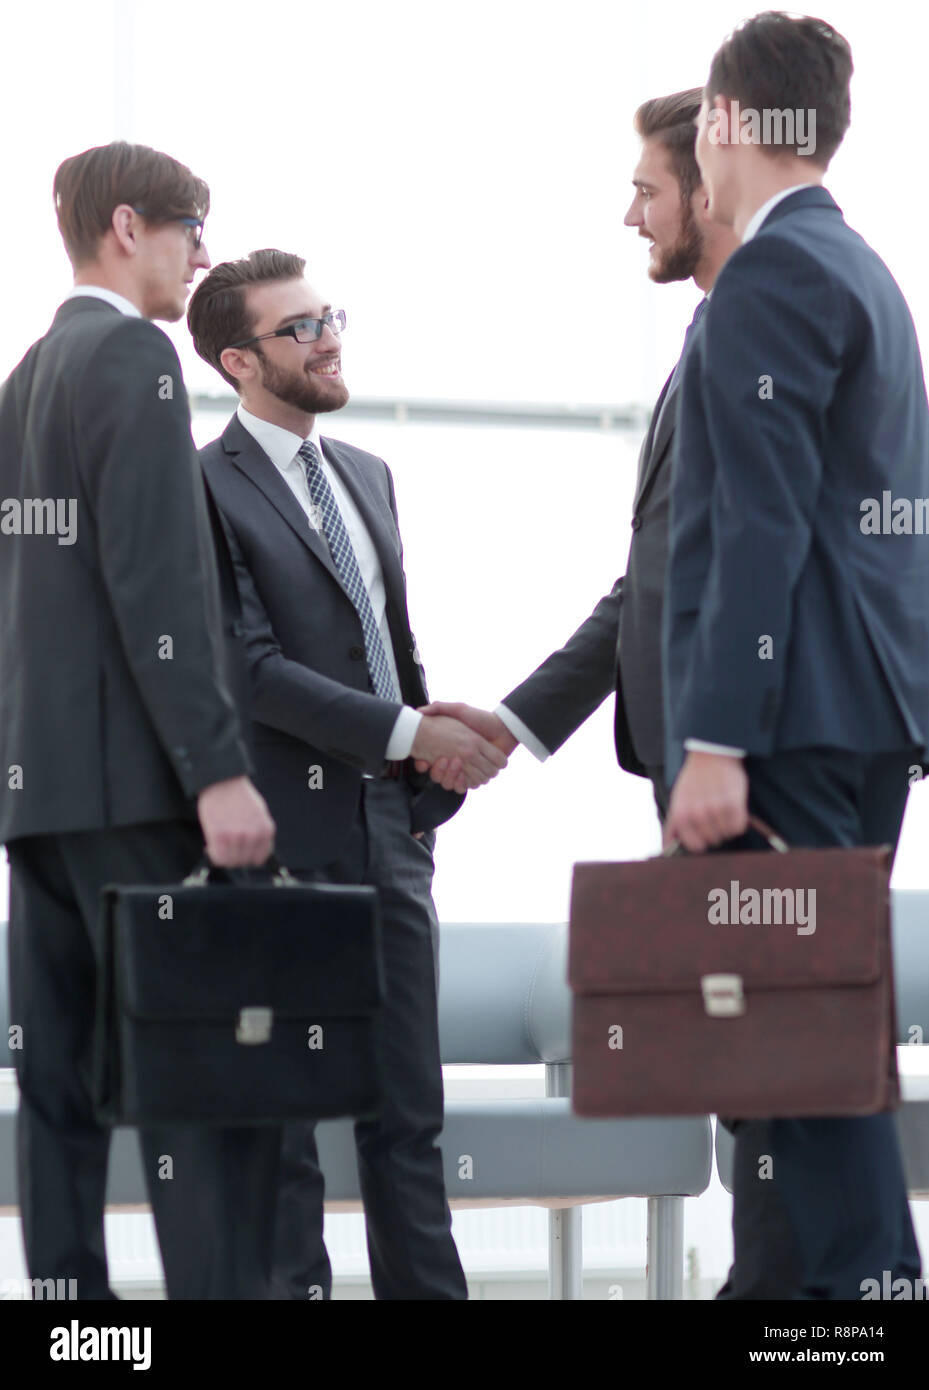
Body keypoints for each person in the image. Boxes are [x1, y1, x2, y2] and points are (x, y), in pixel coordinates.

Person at [664, 11, 929, 1299]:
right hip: (867, 707)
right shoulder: (863, 268)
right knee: (809, 1040)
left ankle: (869, 1299)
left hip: (795, 723)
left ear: (724, 122)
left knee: (809, 1052)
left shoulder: (773, 277)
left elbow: (760, 529)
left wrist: (717, 740)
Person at [187, 250, 506, 1299]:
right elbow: (253, 672)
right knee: (283, 1126)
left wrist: (420, 786)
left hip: (386, 830)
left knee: (408, 1117)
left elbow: (388, 648)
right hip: (276, 844)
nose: (327, 338)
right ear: (239, 360)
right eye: (298, 328)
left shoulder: (367, 475)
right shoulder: (199, 483)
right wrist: (414, 731)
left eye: (329, 316)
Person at [0, 142, 282, 1299]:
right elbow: (153, 582)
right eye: (190, 231)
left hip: (42, 799)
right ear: (128, 227)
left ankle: (77, 1327)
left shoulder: (26, 376)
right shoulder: (135, 358)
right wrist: (216, 770)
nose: (200, 258)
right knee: (198, 1091)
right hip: (135, 793)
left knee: (58, 1094)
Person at [418, 90, 738, 818]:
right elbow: (657, 574)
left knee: (773, 932)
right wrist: (512, 722)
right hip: (700, 755)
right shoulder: (710, 332)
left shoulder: (760, 332)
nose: (632, 218)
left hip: (745, 759)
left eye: (647, 192)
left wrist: (725, 748)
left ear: (709, 190)